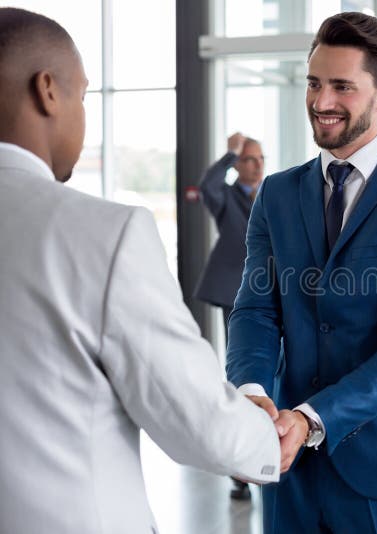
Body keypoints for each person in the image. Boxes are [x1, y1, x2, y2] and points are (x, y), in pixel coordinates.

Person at [0, 9, 281, 534]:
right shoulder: (101, 232)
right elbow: (196, 419)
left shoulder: (273, 196)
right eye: (84, 95)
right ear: (47, 92)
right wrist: (270, 432)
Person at [226, 12, 377, 533]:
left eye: (343, 86)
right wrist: (249, 390)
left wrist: (314, 418)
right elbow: (255, 308)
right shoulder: (277, 192)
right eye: (315, 84)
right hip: (288, 472)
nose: (321, 102)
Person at [195, 131, 265, 500]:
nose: (256, 166)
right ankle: (240, 467)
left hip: (271, 295)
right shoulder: (227, 199)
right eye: (249, 159)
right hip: (234, 296)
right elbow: (207, 185)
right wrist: (229, 153)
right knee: (242, 373)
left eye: (260, 159)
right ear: (238, 165)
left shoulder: (271, 195)